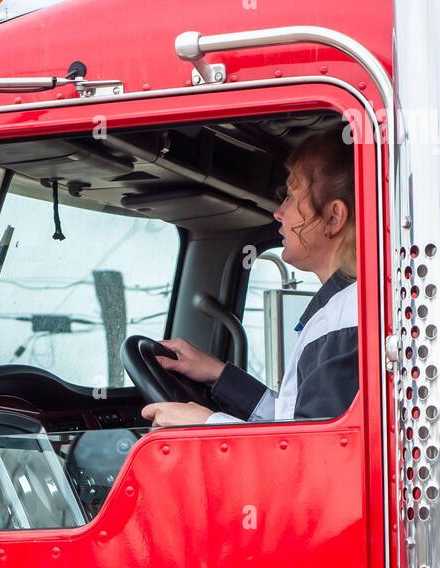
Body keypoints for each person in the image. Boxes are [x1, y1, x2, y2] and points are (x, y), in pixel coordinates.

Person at [140, 130, 357, 429]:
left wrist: (204, 423)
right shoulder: (343, 310)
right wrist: (219, 375)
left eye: (292, 197)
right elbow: (292, 422)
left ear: (333, 217)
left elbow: (312, 454)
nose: (279, 213)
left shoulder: (344, 321)